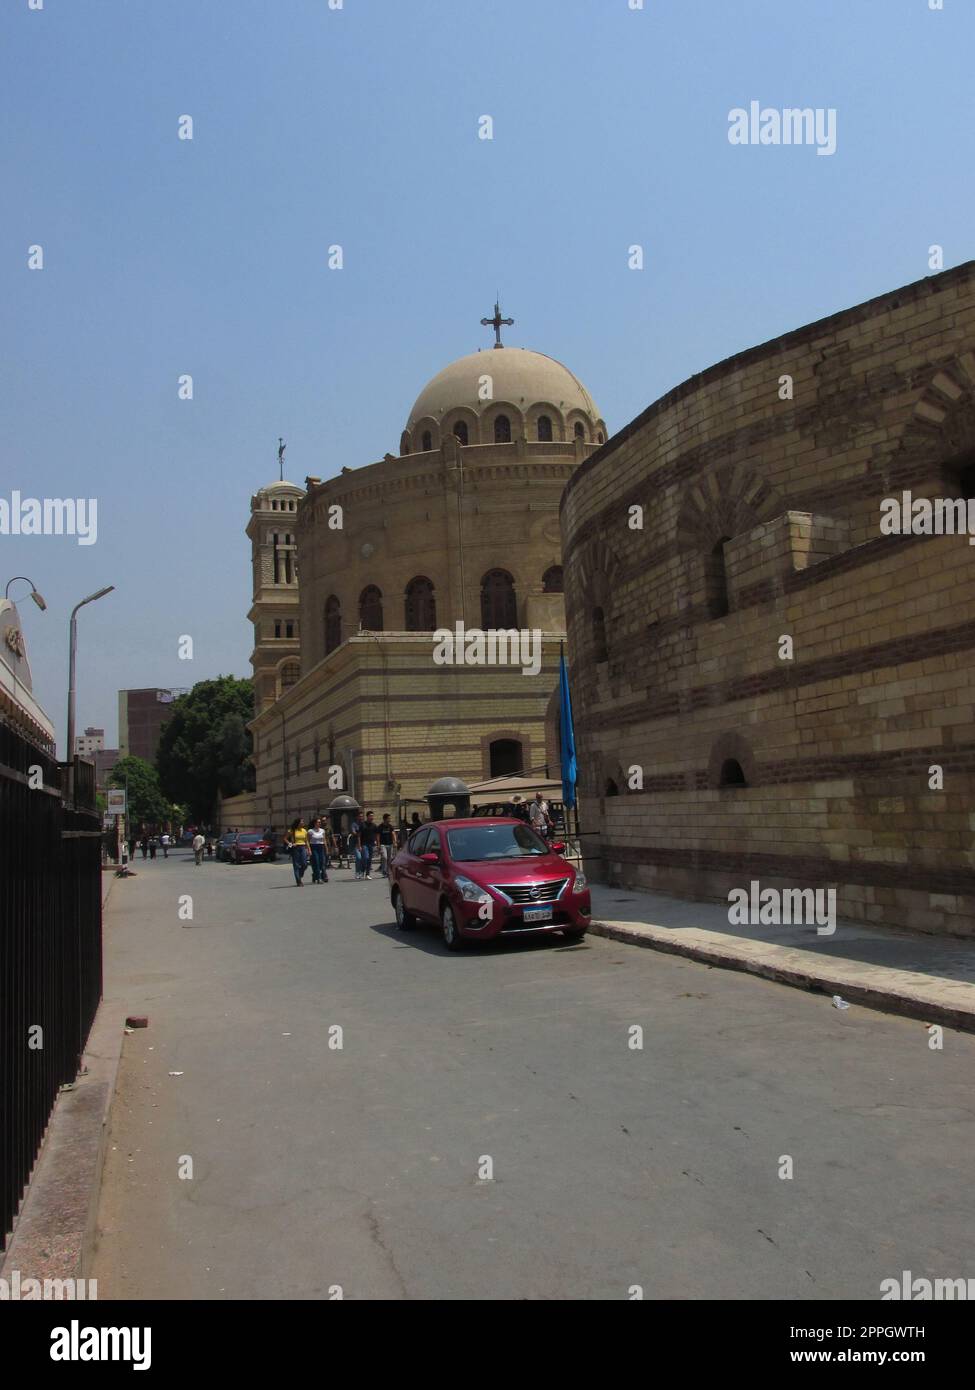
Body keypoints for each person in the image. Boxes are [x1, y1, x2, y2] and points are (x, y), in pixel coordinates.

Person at [286, 817, 309, 886]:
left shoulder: (304, 831)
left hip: (303, 847)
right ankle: (298, 881)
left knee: (304, 864)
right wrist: (291, 844)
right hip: (295, 848)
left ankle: (299, 874)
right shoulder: (292, 830)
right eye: (302, 821)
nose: (303, 823)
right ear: (298, 823)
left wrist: (309, 849)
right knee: (296, 865)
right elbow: (285, 839)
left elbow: (306, 841)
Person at [308, 817, 329, 884]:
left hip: (321, 847)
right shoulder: (310, 831)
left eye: (320, 822)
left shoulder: (322, 830)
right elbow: (307, 841)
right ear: (315, 823)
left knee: (322, 862)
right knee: (316, 862)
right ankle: (319, 878)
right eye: (318, 822)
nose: (320, 823)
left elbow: (324, 840)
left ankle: (315, 875)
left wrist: (326, 848)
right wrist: (308, 850)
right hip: (314, 847)